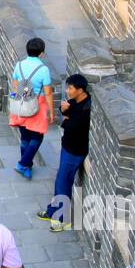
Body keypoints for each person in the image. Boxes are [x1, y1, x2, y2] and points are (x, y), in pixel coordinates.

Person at [38, 74, 91, 231]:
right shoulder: (75, 101)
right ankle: (53, 210)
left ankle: (63, 220)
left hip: (75, 151)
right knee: (59, 180)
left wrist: (68, 116)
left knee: (63, 182)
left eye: (70, 88)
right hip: (67, 148)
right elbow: (65, 113)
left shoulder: (86, 109)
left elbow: (71, 127)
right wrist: (65, 111)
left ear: (80, 90)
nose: (67, 91)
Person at [9, 37, 53, 179]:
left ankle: (27, 166)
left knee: (25, 137)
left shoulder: (19, 65)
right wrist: (51, 112)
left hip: (22, 102)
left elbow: (15, 84)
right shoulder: (43, 69)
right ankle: (23, 164)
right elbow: (48, 92)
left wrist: (22, 95)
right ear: (41, 53)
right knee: (37, 137)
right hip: (37, 105)